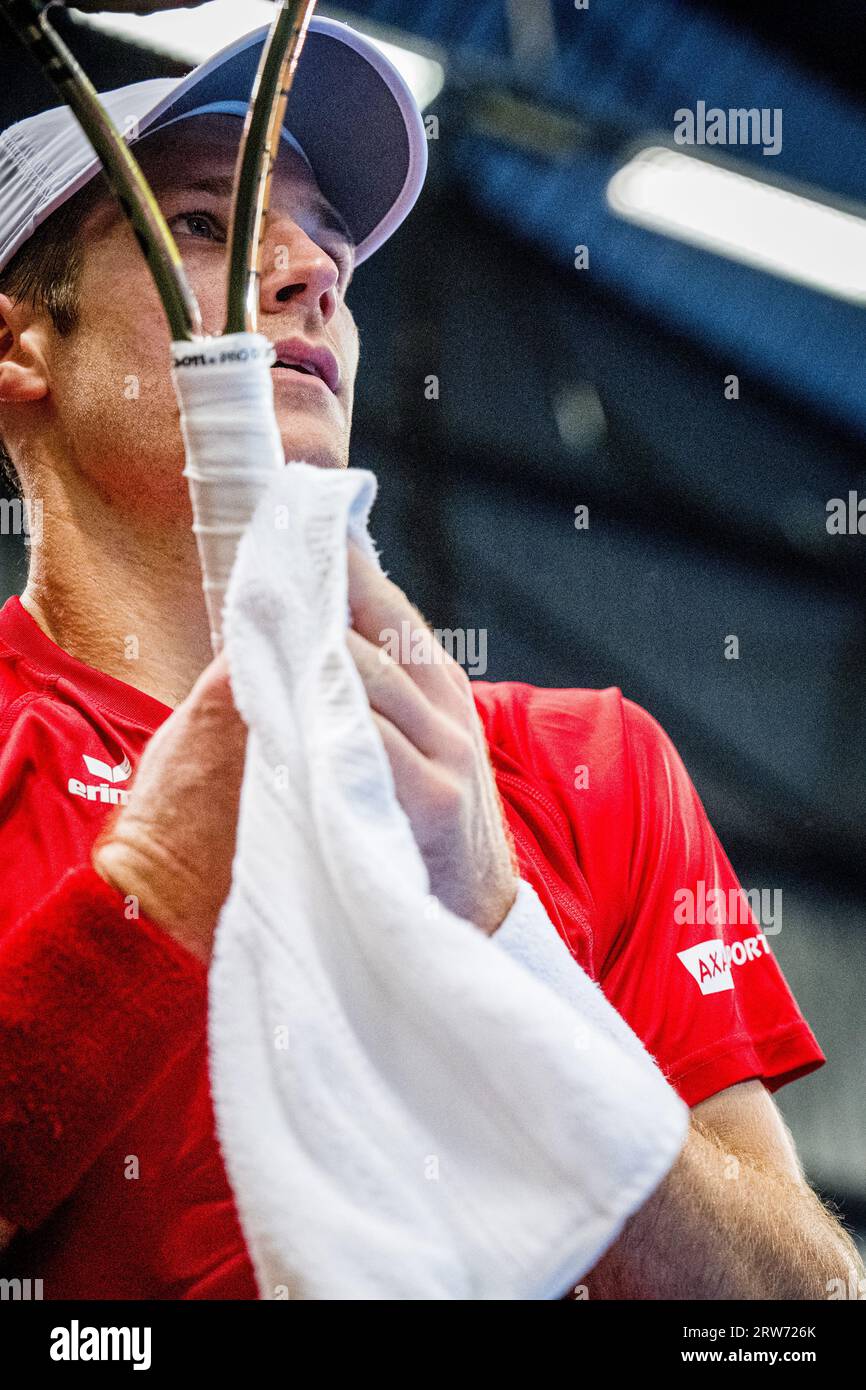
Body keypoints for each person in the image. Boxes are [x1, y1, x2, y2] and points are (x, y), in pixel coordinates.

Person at [0, 15, 859, 1300]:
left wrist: (502, 934)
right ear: (20, 347)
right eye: (199, 223)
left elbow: (794, 1308)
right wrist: (154, 892)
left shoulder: (582, 768)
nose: (309, 270)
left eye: (331, 241)